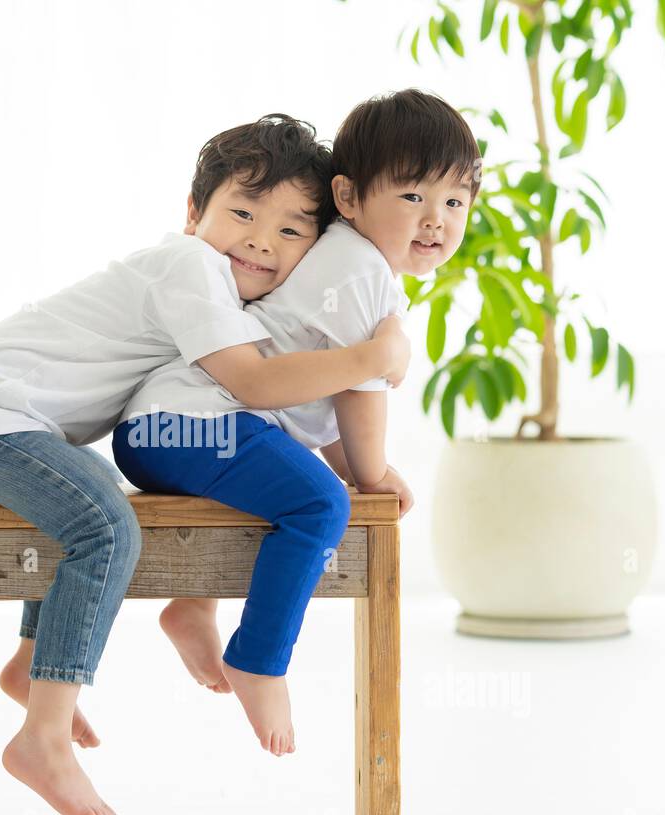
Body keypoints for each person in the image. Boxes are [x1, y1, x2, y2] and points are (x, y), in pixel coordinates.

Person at [0, 113, 412, 815]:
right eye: (242, 212)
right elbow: (254, 386)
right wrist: (372, 359)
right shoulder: (191, 267)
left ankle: (30, 665)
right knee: (105, 528)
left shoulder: (224, 293)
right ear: (192, 213)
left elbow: (276, 405)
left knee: (93, 496)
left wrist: (355, 462)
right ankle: (41, 738)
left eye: (292, 230)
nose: (262, 240)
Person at [112, 89, 481, 757]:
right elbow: (360, 391)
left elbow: (319, 397)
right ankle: (259, 659)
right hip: (181, 426)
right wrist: (364, 474)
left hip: (170, 429)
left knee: (286, 479)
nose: (435, 221)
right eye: (412, 197)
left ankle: (191, 606)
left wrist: (360, 463)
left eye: (454, 202)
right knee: (318, 503)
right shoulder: (360, 271)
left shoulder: (350, 261)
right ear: (347, 197)